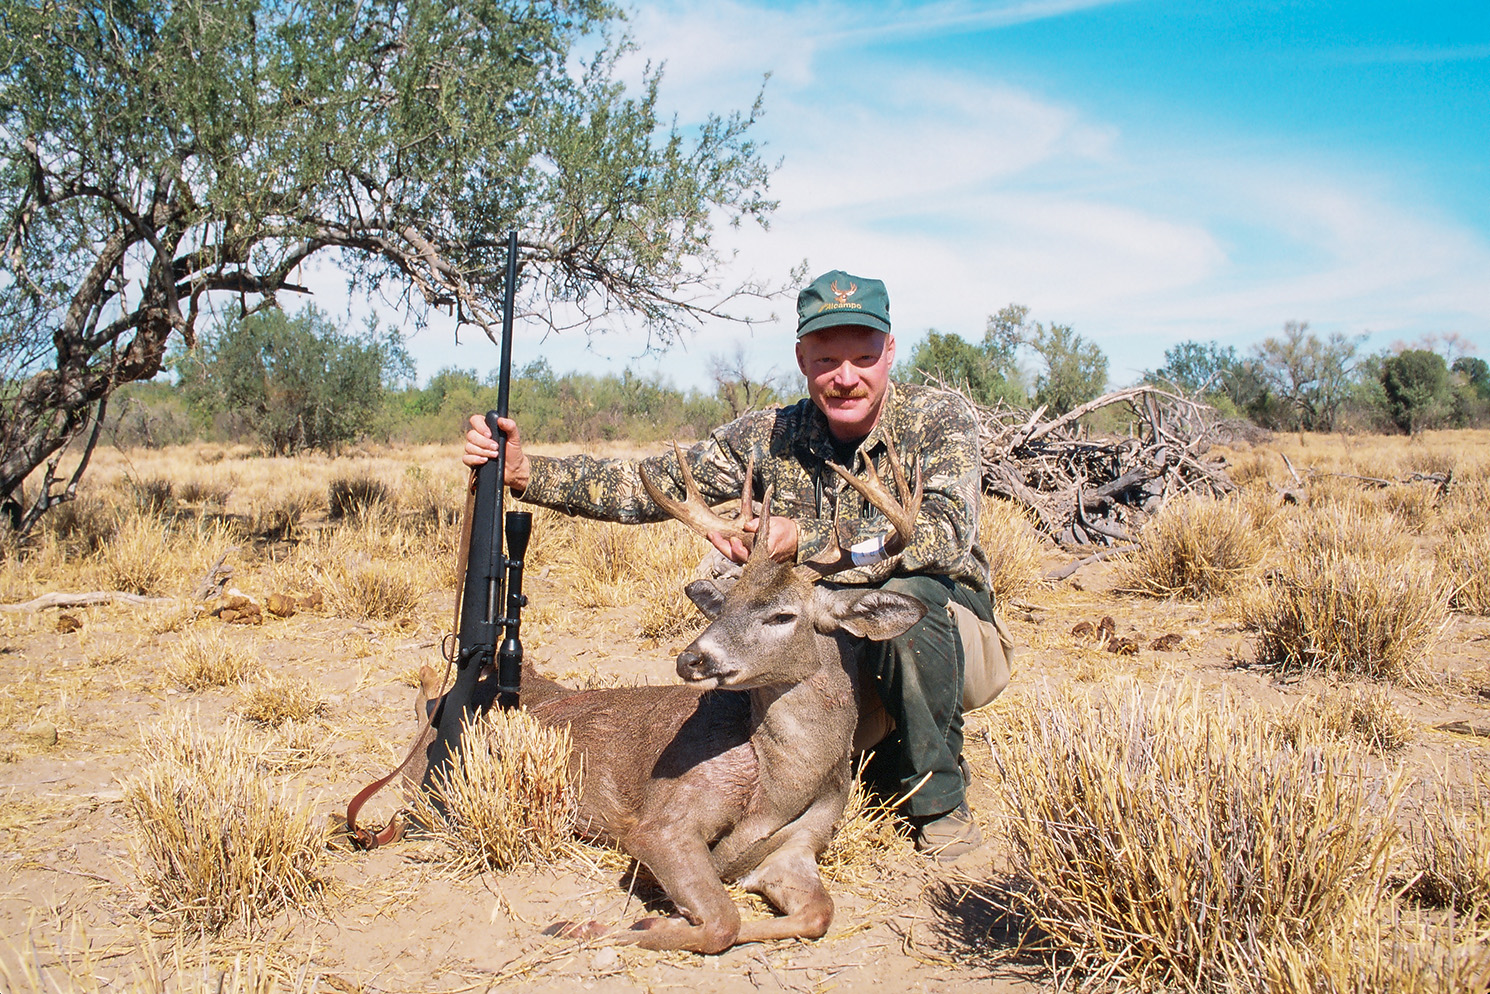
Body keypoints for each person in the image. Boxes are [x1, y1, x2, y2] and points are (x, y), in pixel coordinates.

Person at [464, 269, 994, 858]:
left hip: (933, 627)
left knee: (907, 588)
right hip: (814, 644)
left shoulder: (936, 419)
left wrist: (808, 539)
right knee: (739, 596)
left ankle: (938, 799)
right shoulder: (772, 432)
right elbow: (655, 484)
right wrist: (528, 472)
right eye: (826, 361)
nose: (846, 378)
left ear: (889, 351)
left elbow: (943, 534)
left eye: (863, 358)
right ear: (801, 358)